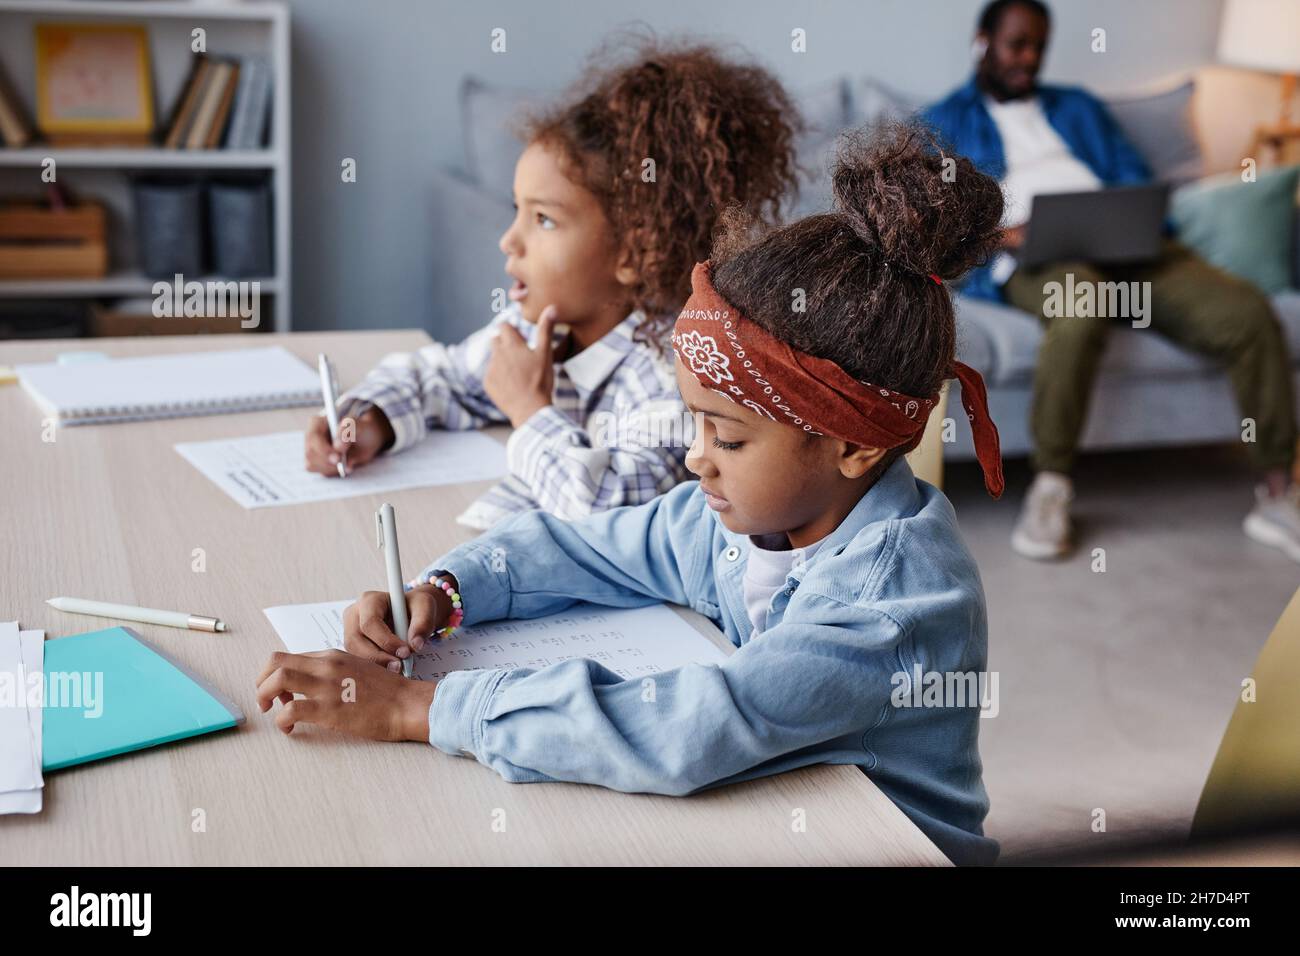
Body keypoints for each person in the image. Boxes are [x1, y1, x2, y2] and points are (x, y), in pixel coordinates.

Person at [258, 124, 1009, 865]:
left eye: (729, 438)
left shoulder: (891, 607)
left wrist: (415, 709)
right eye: (697, 427)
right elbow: (583, 546)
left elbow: (695, 728)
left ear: (855, 445)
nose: (696, 458)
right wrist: (448, 593)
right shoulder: (745, 518)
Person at [305, 41, 799, 529]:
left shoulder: (673, 368)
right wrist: (368, 421)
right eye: (515, 210)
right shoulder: (537, 328)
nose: (508, 241)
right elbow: (440, 378)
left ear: (635, 249)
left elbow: (612, 513)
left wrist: (528, 409)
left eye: (543, 219)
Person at [923, 0, 1300, 562]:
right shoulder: (942, 124)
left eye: (1038, 47)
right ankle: (1051, 487)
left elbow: (1133, 176)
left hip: (1128, 245)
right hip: (1041, 258)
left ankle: (1277, 490)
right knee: (1081, 310)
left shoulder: (1078, 107)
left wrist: (1123, 217)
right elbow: (937, 229)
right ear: (983, 42)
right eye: (1016, 44)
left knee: (1246, 312)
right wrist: (1006, 238)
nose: (1028, 59)